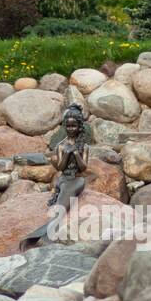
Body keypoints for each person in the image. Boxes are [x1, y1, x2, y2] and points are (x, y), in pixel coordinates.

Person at [19, 103, 90, 251]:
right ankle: (46, 234)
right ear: (65, 126)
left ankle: (47, 234)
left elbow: (83, 168)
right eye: (68, 126)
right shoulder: (60, 146)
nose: (71, 129)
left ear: (79, 127)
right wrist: (66, 153)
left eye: (74, 126)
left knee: (68, 196)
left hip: (77, 179)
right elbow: (60, 168)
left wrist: (76, 153)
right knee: (62, 202)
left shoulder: (84, 146)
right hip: (64, 179)